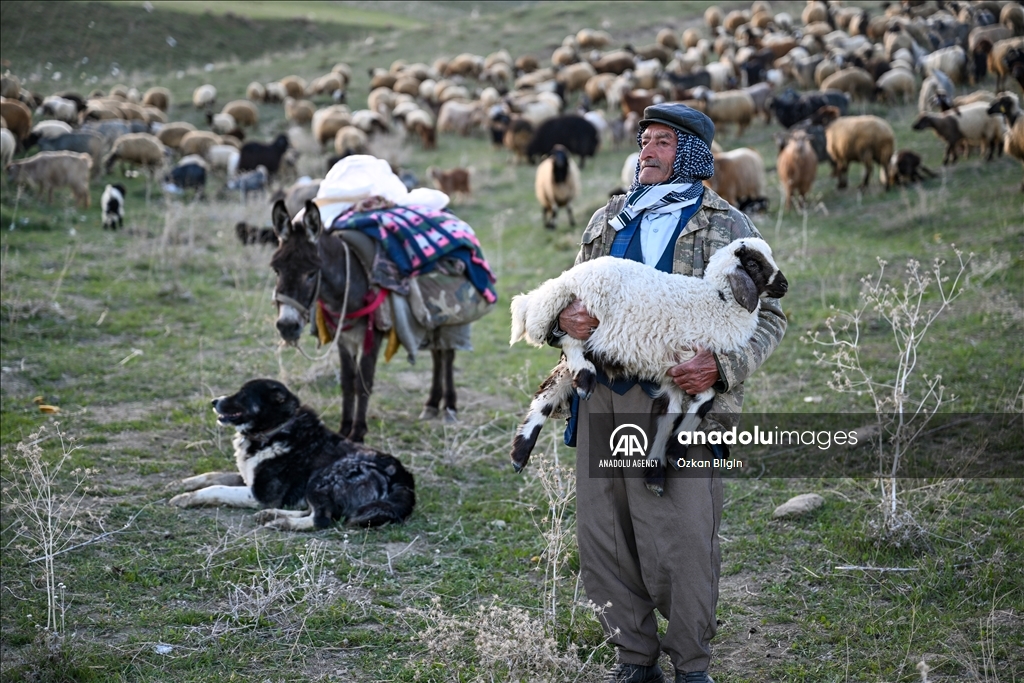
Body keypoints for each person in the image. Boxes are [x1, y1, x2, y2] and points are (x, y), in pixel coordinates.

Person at [552, 103, 787, 683]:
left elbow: (772, 315)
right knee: (607, 537)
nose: (648, 151)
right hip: (601, 396)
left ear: (693, 154)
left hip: (679, 406)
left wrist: (721, 366)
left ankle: (691, 664)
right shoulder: (608, 219)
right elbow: (569, 292)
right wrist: (565, 321)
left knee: (680, 538)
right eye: (645, 141)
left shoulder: (726, 225)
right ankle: (634, 657)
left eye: (663, 142)